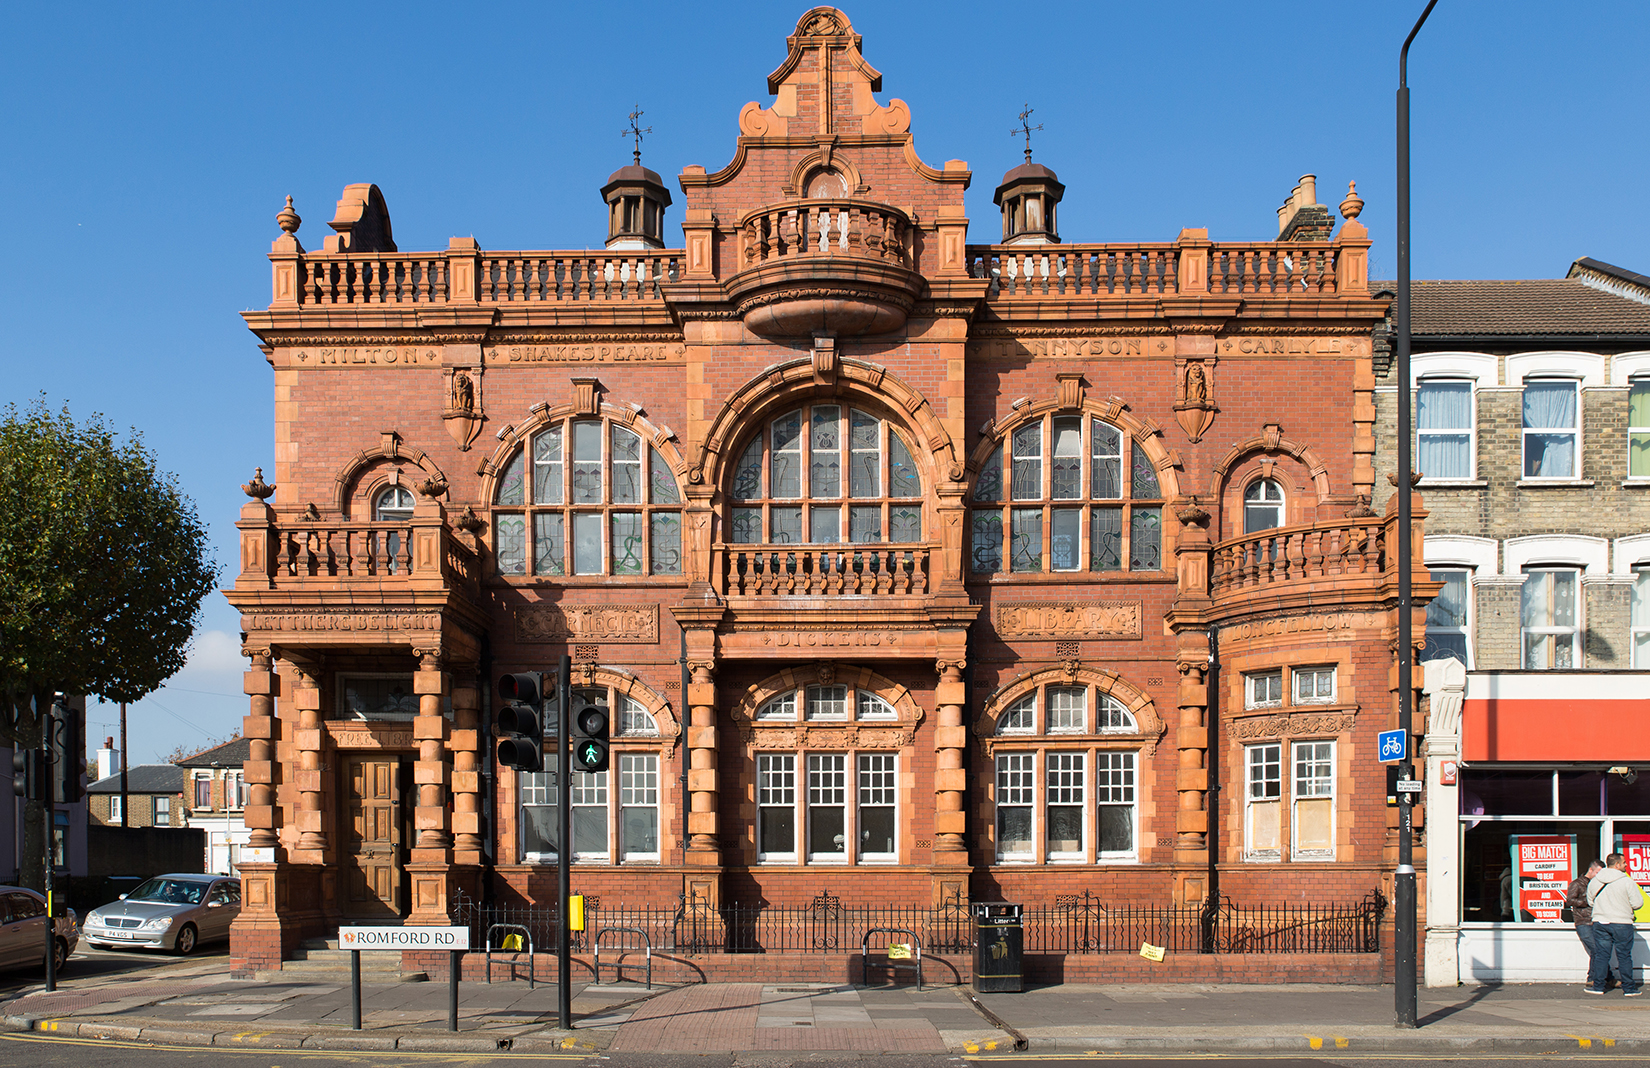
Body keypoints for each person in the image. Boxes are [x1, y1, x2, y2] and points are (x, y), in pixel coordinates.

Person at [1586, 852, 1646, 995]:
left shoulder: (1595, 881)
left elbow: (1590, 901)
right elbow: (1638, 903)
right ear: (1617, 864)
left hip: (1600, 922)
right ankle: (1629, 988)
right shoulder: (1627, 882)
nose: (1626, 865)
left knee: (1601, 955)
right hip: (1622, 922)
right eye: (1624, 862)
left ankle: (1598, 987)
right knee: (1624, 955)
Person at [1568, 860, 1617, 988]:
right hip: (1583, 921)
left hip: (1597, 919)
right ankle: (1604, 977)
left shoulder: (1600, 884)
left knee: (1600, 950)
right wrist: (1587, 901)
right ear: (1591, 870)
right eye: (1598, 872)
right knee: (1597, 949)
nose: (1599, 875)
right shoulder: (1577, 883)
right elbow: (1570, 900)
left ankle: (1596, 977)